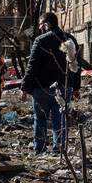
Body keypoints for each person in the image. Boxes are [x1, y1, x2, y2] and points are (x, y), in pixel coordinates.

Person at [21, 13, 68, 155]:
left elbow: (32, 65)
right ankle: (59, 150)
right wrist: (76, 86)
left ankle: (39, 149)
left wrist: (25, 87)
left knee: (40, 119)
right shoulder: (69, 39)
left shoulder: (40, 41)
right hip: (64, 86)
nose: (40, 28)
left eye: (41, 25)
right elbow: (75, 64)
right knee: (60, 119)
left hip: (42, 88)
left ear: (46, 24)